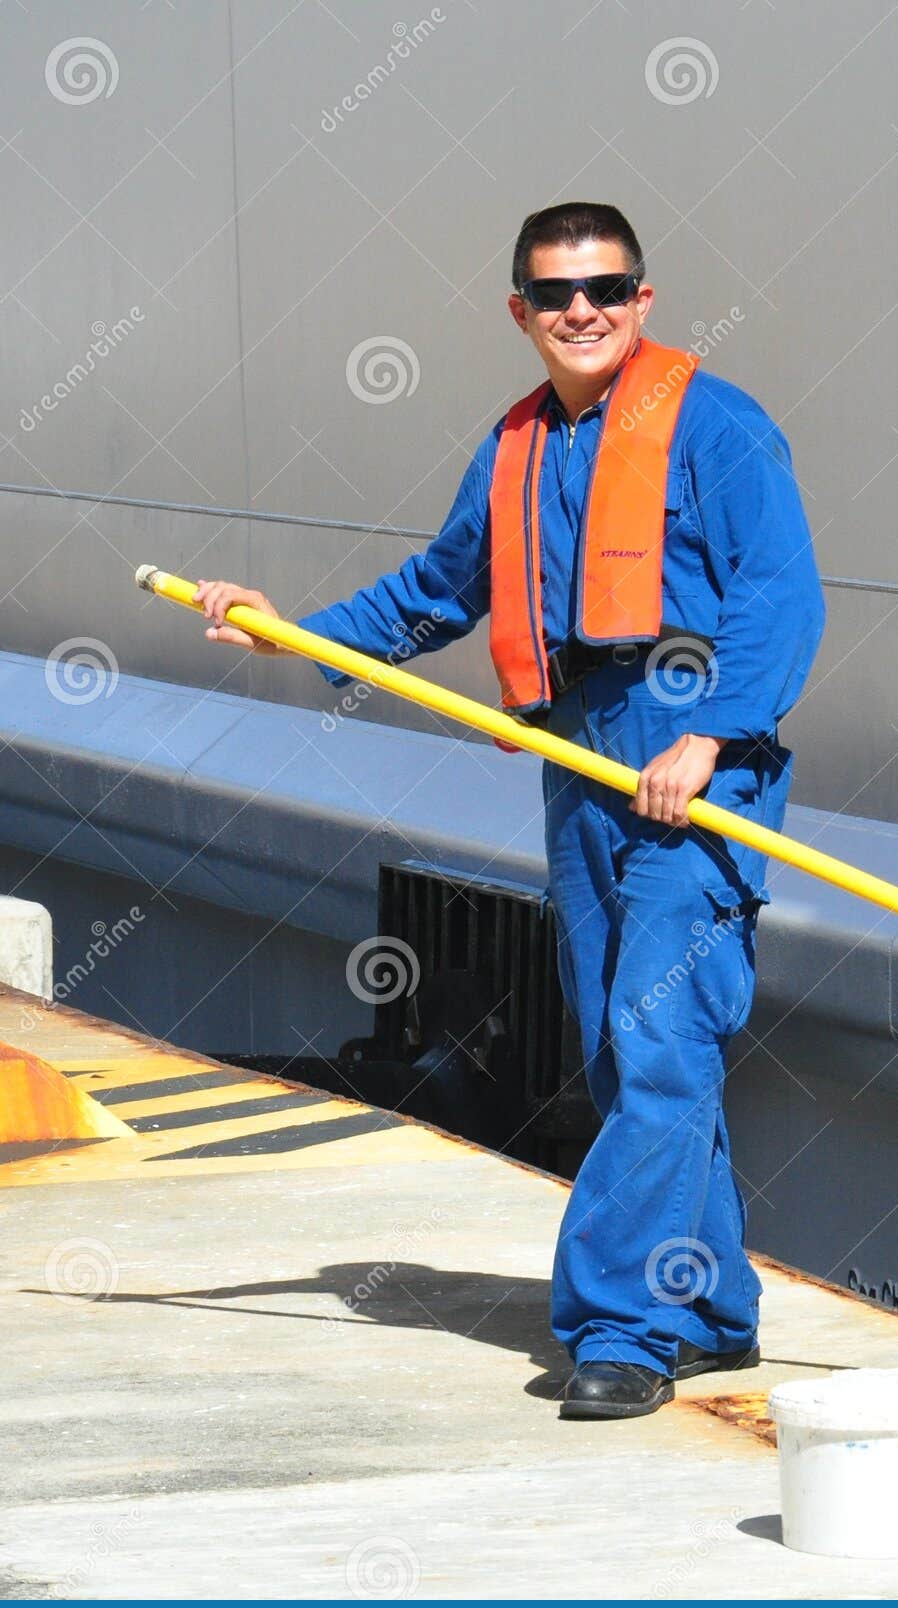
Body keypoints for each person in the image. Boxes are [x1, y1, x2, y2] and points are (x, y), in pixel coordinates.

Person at [193, 201, 826, 1420]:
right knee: (619, 1049)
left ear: (641, 299)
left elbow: (780, 595)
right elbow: (436, 591)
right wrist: (289, 633)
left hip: (691, 759)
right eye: (553, 293)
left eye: (604, 288)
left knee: (660, 1037)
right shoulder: (516, 446)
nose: (579, 310)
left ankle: (623, 1327)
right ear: (519, 311)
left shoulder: (719, 427)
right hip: (575, 757)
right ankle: (709, 1305)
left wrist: (707, 737)